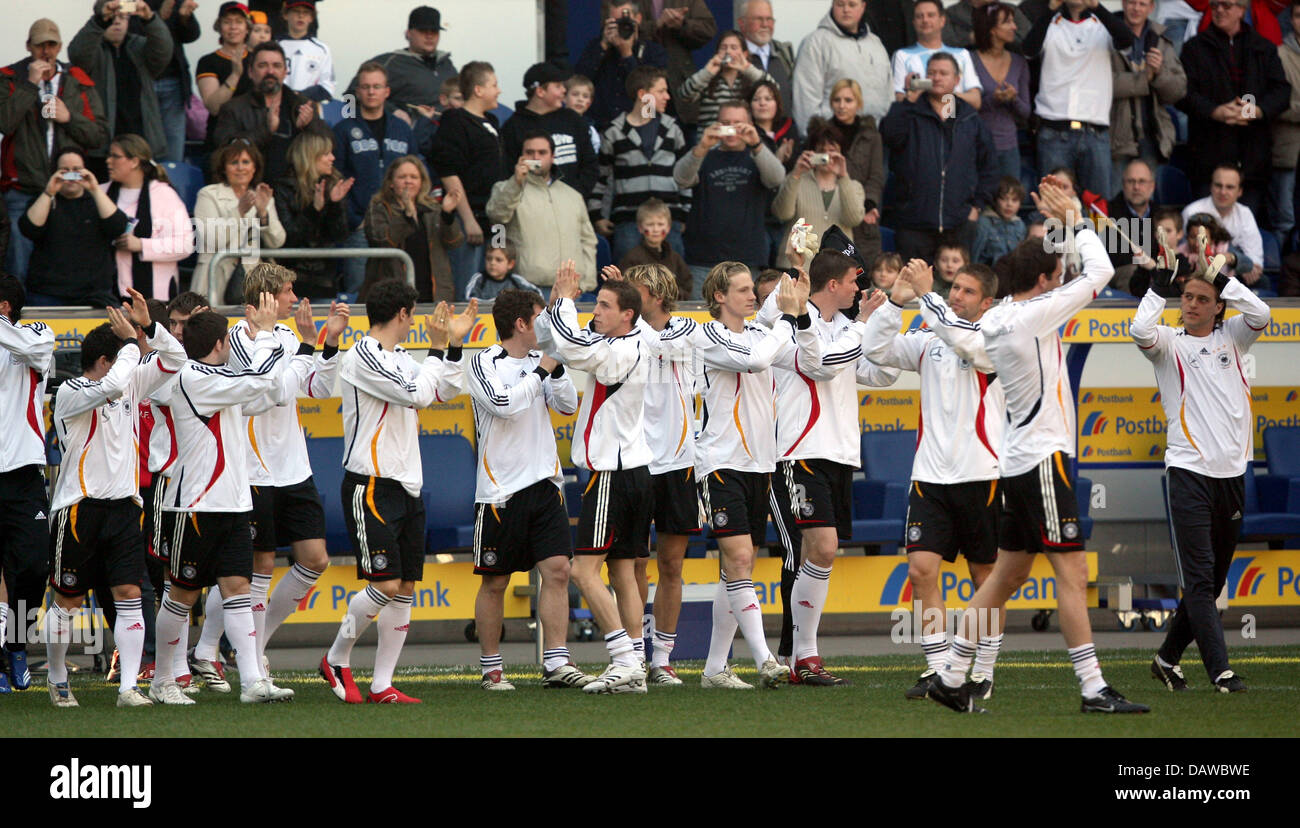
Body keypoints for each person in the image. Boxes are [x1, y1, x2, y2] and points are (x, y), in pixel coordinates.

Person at [919, 176, 1149, 714]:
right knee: (1071, 571)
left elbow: (965, 334)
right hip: (1043, 459)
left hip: (1017, 459)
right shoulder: (1031, 315)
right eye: (1054, 274)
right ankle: (1093, 687)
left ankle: (951, 675)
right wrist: (1075, 220)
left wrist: (1064, 230)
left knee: (1007, 575)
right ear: (1043, 281)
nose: (1060, 278)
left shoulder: (1000, 318)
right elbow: (1102, 271)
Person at [319, 283, 476, 704]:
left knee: (404, 586)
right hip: (370, 482)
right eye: (415, 315)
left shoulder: (403, 357)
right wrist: (438, 348)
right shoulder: (363, 355)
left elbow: (443, 391)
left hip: (408, 483)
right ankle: (336, 658)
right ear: (404, 314)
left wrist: (454, 347)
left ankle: (382, 683)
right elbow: (419, 392)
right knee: (385, 584)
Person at [1132, 232, 1271, 694]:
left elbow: (1262, 313)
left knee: (1209, 583)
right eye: (1187, 297)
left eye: (1201, 298)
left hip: (1232, 474)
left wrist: (1220, 276)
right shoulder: (1169, 344)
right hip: (1188, 472)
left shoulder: (1233, 337)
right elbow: (1140, 332)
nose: (1191, 304)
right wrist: (1158, 284)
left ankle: (1166, 658)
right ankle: (1222, 672)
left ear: (1217, 307)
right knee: (1198, 577)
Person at [864, 259, 1006, 700]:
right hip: (928, 477)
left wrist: (927, 298)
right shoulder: (930, 337)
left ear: (987, 302)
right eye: (954, 288)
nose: (957, 295)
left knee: (986, 578)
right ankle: (937, 667)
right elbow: (876, 351)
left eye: (966, 291)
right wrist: (895, 302)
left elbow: (967, 347)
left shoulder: (996, 338)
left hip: (983, 475)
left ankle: (982, 671)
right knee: (921, 570)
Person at [760, 246, 900, 685]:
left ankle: (801, 658)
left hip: (839, 454)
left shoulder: (844, 328)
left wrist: (886, 327)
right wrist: (796, 263)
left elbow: (878, 374)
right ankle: (803, 656)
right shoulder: (791, 325)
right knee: (818, 547)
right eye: (853, 282)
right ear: (834, 284)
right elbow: (821, 364)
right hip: (799, 452)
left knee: (821, 553)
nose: (860, 289)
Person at [147, 293, 296, 705]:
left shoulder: (218, 379)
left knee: (237, 587)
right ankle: (162, 680)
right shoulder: (195, 378)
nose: (231, 346)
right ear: (218, 345)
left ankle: (252, 682)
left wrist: (286, 362)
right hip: (195, 506)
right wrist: (265, 332)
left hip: (232, 503)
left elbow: (265, 391)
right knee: (181, 594)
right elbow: (258, 379)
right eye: (229, 340)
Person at [43, 288, 186, 708]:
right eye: (125, 351)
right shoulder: (69, 392)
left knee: (128, 594)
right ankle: (56, 677)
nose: (136, 354)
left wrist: (150, 327)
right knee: (67, 600)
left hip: (125, 507)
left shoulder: (131, 378)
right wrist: (129, 343)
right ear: (106, 360)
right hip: (78, 508)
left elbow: (175, 360)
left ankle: (128, 688)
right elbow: (112, 385)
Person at [206, 263, 348, 678]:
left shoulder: (287, 335)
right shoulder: (235, 338)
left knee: (315, 558)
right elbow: (267, 390)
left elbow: (316, 389)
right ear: (266, 298)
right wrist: (299, 350)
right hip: (252, 470)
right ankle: (211, 648)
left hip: (293, 467)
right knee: (258, 566)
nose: (294, 299)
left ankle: (251, 646)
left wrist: (327, 344)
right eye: (287, 291)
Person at [689, 263, 813, 689]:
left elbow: (782, 299)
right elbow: (756, 360)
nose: (752, 296)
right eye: (741, 290)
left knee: (735, 568)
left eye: (752, 291)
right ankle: (764, 659)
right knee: (741, 559)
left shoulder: (760, 331)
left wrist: (801, 256)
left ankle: (713, 669)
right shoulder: (708, 335)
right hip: (720, 464)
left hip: (760, 465)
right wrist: (790, 318)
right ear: (719, 296)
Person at [532, 263, 654, 693]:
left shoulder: (620, 350)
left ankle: (623, 658)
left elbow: (572, 348)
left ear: (627, 315)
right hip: (634, 470)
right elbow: (555, 338)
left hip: (610, 473)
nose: (595, 311)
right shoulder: (632, 336)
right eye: (594, 303)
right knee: (621, 572)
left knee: (584, 571)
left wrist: (566, 298)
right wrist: (557, 302)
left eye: (604, 305)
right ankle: (636, 664)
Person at [467, 289, 591, 690]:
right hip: (500, 490)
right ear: (521, 323)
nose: (545, 325)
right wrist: (541, 371)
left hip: (545, 483)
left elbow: (569, 405)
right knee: (496, 581)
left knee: (558, 570)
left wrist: (553, 369)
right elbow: (504, 404)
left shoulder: (543, 359)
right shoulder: (483, 362)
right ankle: (491, 667)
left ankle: (556, 661)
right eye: (540, 317)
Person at [612, 263, 698, 685]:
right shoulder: (623, 335)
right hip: (637, 460)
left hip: (678, 461)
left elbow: (660, 347)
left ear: (658, 295)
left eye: (634, 291)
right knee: (635, 562)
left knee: (672, 563)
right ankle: (633, 654)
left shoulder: (686, 330)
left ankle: (662, 657)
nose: (627, 297)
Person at [0, 19, 110, 282]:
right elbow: (4, 123)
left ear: (60, 46)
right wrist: (29, 85)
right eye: (40, 45)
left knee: (66, 256)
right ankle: (16, 316)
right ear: (29, 46)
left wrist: (69, 117)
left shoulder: (78, 80)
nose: (46, 51)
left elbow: (99, 136)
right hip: (23, 188)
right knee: (19, 258)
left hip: (68, 190)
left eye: (51, 45)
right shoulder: (10, 77)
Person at [880, 52, 997, 263]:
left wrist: (976, 207)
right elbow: (889, 136)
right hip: (913, 223)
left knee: (955, 292)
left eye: (943, 73)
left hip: (958, 224)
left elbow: (989, 166)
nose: (936, 78)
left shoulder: (968, 118)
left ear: (957, 80)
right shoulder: (910, 111)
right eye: (931, 73)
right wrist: (909, 99)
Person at [1177, 0, 1290, 216]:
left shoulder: (1263, 47)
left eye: (1226, 5)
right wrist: (1214, 111)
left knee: (1244, 231)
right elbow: (1183, 93)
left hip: (1251, 161)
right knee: (1204, 232)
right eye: (1215, 5)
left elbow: (1281, 92)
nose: (1219, 10)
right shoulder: (1194, 48)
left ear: (1241, 10)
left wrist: (1255, 111)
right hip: (1208, 157)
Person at [0, 275, 54, 690]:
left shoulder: (34, 333)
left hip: (23, 474)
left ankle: (16, 645)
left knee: (34, 567)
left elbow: (35, 350)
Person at [1025, 0, 1135, 201]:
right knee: (1052, 206)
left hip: (1094, 133)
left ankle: (1094, 235)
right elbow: (1028, 50)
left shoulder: (1102, 24)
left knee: (1098, 210)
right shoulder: (1049, 24)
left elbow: (1127, 40)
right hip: (1053, 131)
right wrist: (1050, 9)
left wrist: (1096, 6)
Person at [674, 101, 784, 295]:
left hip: (748, 259)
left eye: (738, 123)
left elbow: (776, 178)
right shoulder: (705, 155)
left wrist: (756, 143)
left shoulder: (757, 155)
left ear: (749, 123)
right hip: (703, 259)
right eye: (726, 123)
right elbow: (681, 178)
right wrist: (702, 147)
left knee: (748, 320)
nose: (732, 129)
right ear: (717, 124)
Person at [589, 65, 690, 266]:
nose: (667, 97)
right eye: (661, 91)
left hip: (667, 219)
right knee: (628, 281)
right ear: (643, 94)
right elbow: (603, 177)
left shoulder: (672, 129)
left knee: (673, 281)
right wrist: (598, 215)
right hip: (629, 220)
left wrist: (683, 212)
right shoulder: (614, 132)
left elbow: (684, 173)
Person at [332, 61, 416, 298]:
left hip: (398, 225)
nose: (371, 92)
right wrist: (354, 220)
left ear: (386, 91)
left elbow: (417, 173)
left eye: (377, 86)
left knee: (400, 293)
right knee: (358, 293)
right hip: (359, 227)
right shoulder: (344, 129)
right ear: (357, 91)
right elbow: (335, 180)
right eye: (366, 87)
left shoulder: (402, 128)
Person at [68, 0, 175, 177]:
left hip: (141, 143)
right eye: (112, 18)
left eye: (122, 17)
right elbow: (78, 54)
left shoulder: (140, 46)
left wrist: (150, 19)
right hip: (102, 147)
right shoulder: (94, 49)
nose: (117, 22)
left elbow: (164, 50)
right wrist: (99, 22)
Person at [486, 132, 598, 294]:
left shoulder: (573, 195)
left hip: (571, 290)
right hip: (527, 288)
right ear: (521, 156)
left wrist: (586, 283)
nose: (536, 157)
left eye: (542, 152)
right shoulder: (506, 188)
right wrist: (516, 183)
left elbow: (588, 240)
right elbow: (497, 216)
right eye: (529, 152)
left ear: (553, 157)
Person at [429, 60, 504, 299]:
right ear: (478, 90)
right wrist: (468, 219)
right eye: (494, 84)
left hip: (494, 220)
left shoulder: (492, 122)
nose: (499, 90)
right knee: (469, 290)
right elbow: (449, 173)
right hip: (469, 221)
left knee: (494, 290)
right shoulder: (455, 120)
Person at [19, 147, 127, 307]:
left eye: (77, 170)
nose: (71, 176)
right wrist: (49, 192)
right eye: (64, 171)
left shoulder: (98, 200)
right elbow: (29, 229)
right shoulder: (44, 200)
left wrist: (95, 189)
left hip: (94, 294)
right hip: (47, 293)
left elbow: (117, 226)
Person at [213, 41, 331, 185]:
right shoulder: (233, 108)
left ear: (285, 71)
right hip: (250, 189)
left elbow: (328, 146)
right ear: (250, 72)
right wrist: (266, 130)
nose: (270, 71)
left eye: (277, 66)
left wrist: (308, 127)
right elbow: (225, 151)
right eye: (263, 66)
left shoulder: (301, 104)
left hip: (294, 191)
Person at [192, 139, 286, 303]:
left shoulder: (262, 196)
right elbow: (212, 239)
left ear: (254, 167)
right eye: (234, 162)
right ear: (224, 168)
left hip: (251, 282)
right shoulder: (208, 194)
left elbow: (277, 241)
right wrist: (238, 212)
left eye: (246, 162)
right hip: (214, 279)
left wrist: (263, 213)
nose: (240, 167)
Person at [361, 156, 462, 303]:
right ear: (390, 183)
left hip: (432, 293)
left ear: (421, 182)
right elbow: (383, 241)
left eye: (414, 177)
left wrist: (446, 214)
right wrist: (407, 216)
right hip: (392, 296)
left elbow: (453, 242)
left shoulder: (432, 208)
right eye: (402, 177)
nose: (408, 181)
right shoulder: (379, 207)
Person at [1109, 0, 1186, 193]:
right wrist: (1145, 79)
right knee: (1115, 206)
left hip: (1153, 137)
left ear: (1151, 8)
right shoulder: (1105, 36)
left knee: (1148, 207)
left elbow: (1177, 91)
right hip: (1115, 138)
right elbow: (1101, 85)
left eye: (1142, 4)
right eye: (1132, 3)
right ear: (1123, 4)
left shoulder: (1161, 40)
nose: (1136, 8)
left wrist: (1159, 73)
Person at [105, 134, 194, 301]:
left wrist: (141, 245)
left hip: (157, 297)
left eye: (115, 156)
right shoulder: (101, 193)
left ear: (134, 161)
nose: (108, 161)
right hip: (109, 295)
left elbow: (185, 244)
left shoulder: (164, 194)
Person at [772, 118, 866, 269]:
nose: (826, 157)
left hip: (837, 272)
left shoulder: (853, 186)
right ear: (811, 153)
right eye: (821, 151)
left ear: (842, 153)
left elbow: (853, 219)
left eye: (832, 151)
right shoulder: (795, 179)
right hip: (796, 267)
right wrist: (796, 174)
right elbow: (782, 214)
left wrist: (843, 176)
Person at [271, 130, 353, 298]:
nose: (333, 158)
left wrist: (335, 205)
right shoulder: (283, 188)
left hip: (325, 278)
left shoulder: (333, 186)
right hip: (291, 279)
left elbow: (340, 235)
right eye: (326, 154)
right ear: (309, 156)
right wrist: (313, 210)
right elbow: (288, 237)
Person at [500, 63, 599, 201]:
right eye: (558, 86)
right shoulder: (513, 127)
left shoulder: (573, 120)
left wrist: (576, 195)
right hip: (533, 210)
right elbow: (509, 172)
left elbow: (590, 164)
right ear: (540, 91)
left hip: (573, 206)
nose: (564, 90)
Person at [792, 0, 892, 132]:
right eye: (840, 4)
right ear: (833, 5)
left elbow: (889, 91)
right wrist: (815, 139)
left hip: (875, 140)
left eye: (852, 5)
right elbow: (805, 100)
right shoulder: (815, 43)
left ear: (863, 7)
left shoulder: (875, 44)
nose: (846, 9)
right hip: (834, 140)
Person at [573, 0, 668, 130]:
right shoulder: (596, 47)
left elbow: (649, 94)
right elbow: (579, 81)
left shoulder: (653, 52)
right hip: (601, 126)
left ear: (638, 19)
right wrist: (602, 46)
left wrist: (627, 54)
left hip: (640, 128)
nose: (622, 27)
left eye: (626, 22)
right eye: (616, 22)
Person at [346, 6, 457, 115]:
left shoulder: (447, 65)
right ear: (408, 33)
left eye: (434, 31)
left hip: (450, 130)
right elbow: (350, 96)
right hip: (407, 131)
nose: (429, 36)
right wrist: (394, 112)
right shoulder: (389, 63)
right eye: (423, 31)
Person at [825, 79, 885, 272]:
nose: (842, 106)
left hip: (861, 212)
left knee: (859, 276)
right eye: (837, 100)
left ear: (858, 104)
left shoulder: (871, 136)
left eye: (848, 100)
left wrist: (869, 204)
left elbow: (876, 176)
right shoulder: (821, 132)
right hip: (830, 208)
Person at [635, 0, 717, 129]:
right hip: (642, 82)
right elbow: (620, 31)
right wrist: (657, 24)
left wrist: (683, 24)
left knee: (683, 138)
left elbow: (708, 29)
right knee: (646, 129)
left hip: (678, 85)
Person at [971, 2, 1031, 179]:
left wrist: (1013, 99)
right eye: (1008, 22)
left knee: (1009, 203)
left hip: (1009, 147)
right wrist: (993, 100)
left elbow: (1026, 112)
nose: (1015, 27)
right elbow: (954, 106)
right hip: (976, 145)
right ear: (992, 29)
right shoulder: (968, 60)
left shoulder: (1020, 62)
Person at [1181, 165, 1266, 286]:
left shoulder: (1245, 213)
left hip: (1233, 274)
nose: (1223, 192)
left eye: (1230, 187)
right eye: (1218, 185)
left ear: (1240, 191)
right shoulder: (1192, 211)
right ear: (1211, 186)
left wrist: (1246, 267)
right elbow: (1182, 250)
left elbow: (1255, 260)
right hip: (1197, 273)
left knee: (1262, 282)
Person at [892, 0, 983, 110]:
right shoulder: (902, 55)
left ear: (942, 20)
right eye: (919, 16)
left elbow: (975, 100)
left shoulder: (962, 55)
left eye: (931, 15)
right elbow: (899, 98)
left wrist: (938, 93)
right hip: (919, 123)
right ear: (914, 22)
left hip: (956, 123)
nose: (925, 20)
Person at [676, 29, 773, 130]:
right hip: (711, 141)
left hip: (741, 141)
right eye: (723, 47)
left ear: (745, 54)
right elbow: (684, 95)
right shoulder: (707, 78)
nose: (728, 51)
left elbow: (774, 90)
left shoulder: (750, 79)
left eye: (734, 48)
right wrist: (707, 72)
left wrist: (747, 68)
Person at [148, 0, 201, 164]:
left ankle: (169, 186)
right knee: (143, 146)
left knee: (173, 147)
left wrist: (186, 19)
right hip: (142, 84)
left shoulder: (174, 2)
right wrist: (158, 18)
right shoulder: (129, 2)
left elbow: (191, 35)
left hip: (173, 81)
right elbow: (128, 27)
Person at [194, 1, 254, 147]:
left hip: (254, 135)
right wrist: (235, 74)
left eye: (239, 22)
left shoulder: (257, 59)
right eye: (227, 22)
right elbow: (214, 107)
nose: (233, 27)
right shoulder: (208, 61)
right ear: (219, 27)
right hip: (221, 137)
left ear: (247, 28)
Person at [617, 198, 691, 299]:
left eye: (660, 224)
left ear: (668, 227)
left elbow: (687, 286)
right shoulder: (632, 258)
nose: (656, 229)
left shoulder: (675, 258)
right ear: (640, 228)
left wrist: (673, 295)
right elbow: (626, 289)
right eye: (650, 225)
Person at [1103, 158, 1158, 292]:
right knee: (1132, 272)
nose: (1136, 187)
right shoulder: (1107, 212)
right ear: (1123, 184)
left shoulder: (1160, 213)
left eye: (1142, 181)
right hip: (1120, 272)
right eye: (1131, 181)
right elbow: (1114, 256)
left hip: (1153, 269)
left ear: (1152, 186)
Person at [1270, 1, 1300, 242]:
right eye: (1299, 16)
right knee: (1284, 219)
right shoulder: (1278, 54)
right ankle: (1282, 276)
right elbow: (1270, 102)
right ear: (1291, 20)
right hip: (1287, 147)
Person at [738, 0, 796, 123]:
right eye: (758, 19)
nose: (765, 24)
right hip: (746, 134)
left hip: (784, 133)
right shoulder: (734, 55)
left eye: (769, 19)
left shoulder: (785, 53)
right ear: (742, 23)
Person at [278, 0, 335, 102]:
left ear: (311, 18)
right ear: (286, 15)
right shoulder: (275, 46)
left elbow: (328, 86)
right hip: (279, 104)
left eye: (306, 12)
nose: (301, 16)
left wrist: (301, 96)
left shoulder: (322, 49)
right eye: (296, 11)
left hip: (309, 106)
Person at [972, 175, 1026, 266]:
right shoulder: (984, 223)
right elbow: (975, 256)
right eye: (1004, 198)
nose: (1009, 204)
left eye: (1014, 200)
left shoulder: (1020, 225)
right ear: (995, 200)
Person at [466, 241, 543, 301]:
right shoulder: (479, 279)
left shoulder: (516, 280)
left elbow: (537, 295)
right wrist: (496, 302)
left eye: (498, 260)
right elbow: (469, 298)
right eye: (489, 259)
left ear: (510, 264)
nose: (492, 263)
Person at [944, 0, 1032, 48]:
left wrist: (980, 36)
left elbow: (1028, 38)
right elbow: (948, 40)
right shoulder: (951, 14)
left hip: (1010, 63)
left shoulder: (1010, 10)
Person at [564, 74, 600, 154]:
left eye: (585, 96)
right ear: (564, 97)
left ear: (589, 102)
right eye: (575, 94)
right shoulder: (555, 124)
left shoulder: (590, 131)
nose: (580, 99)